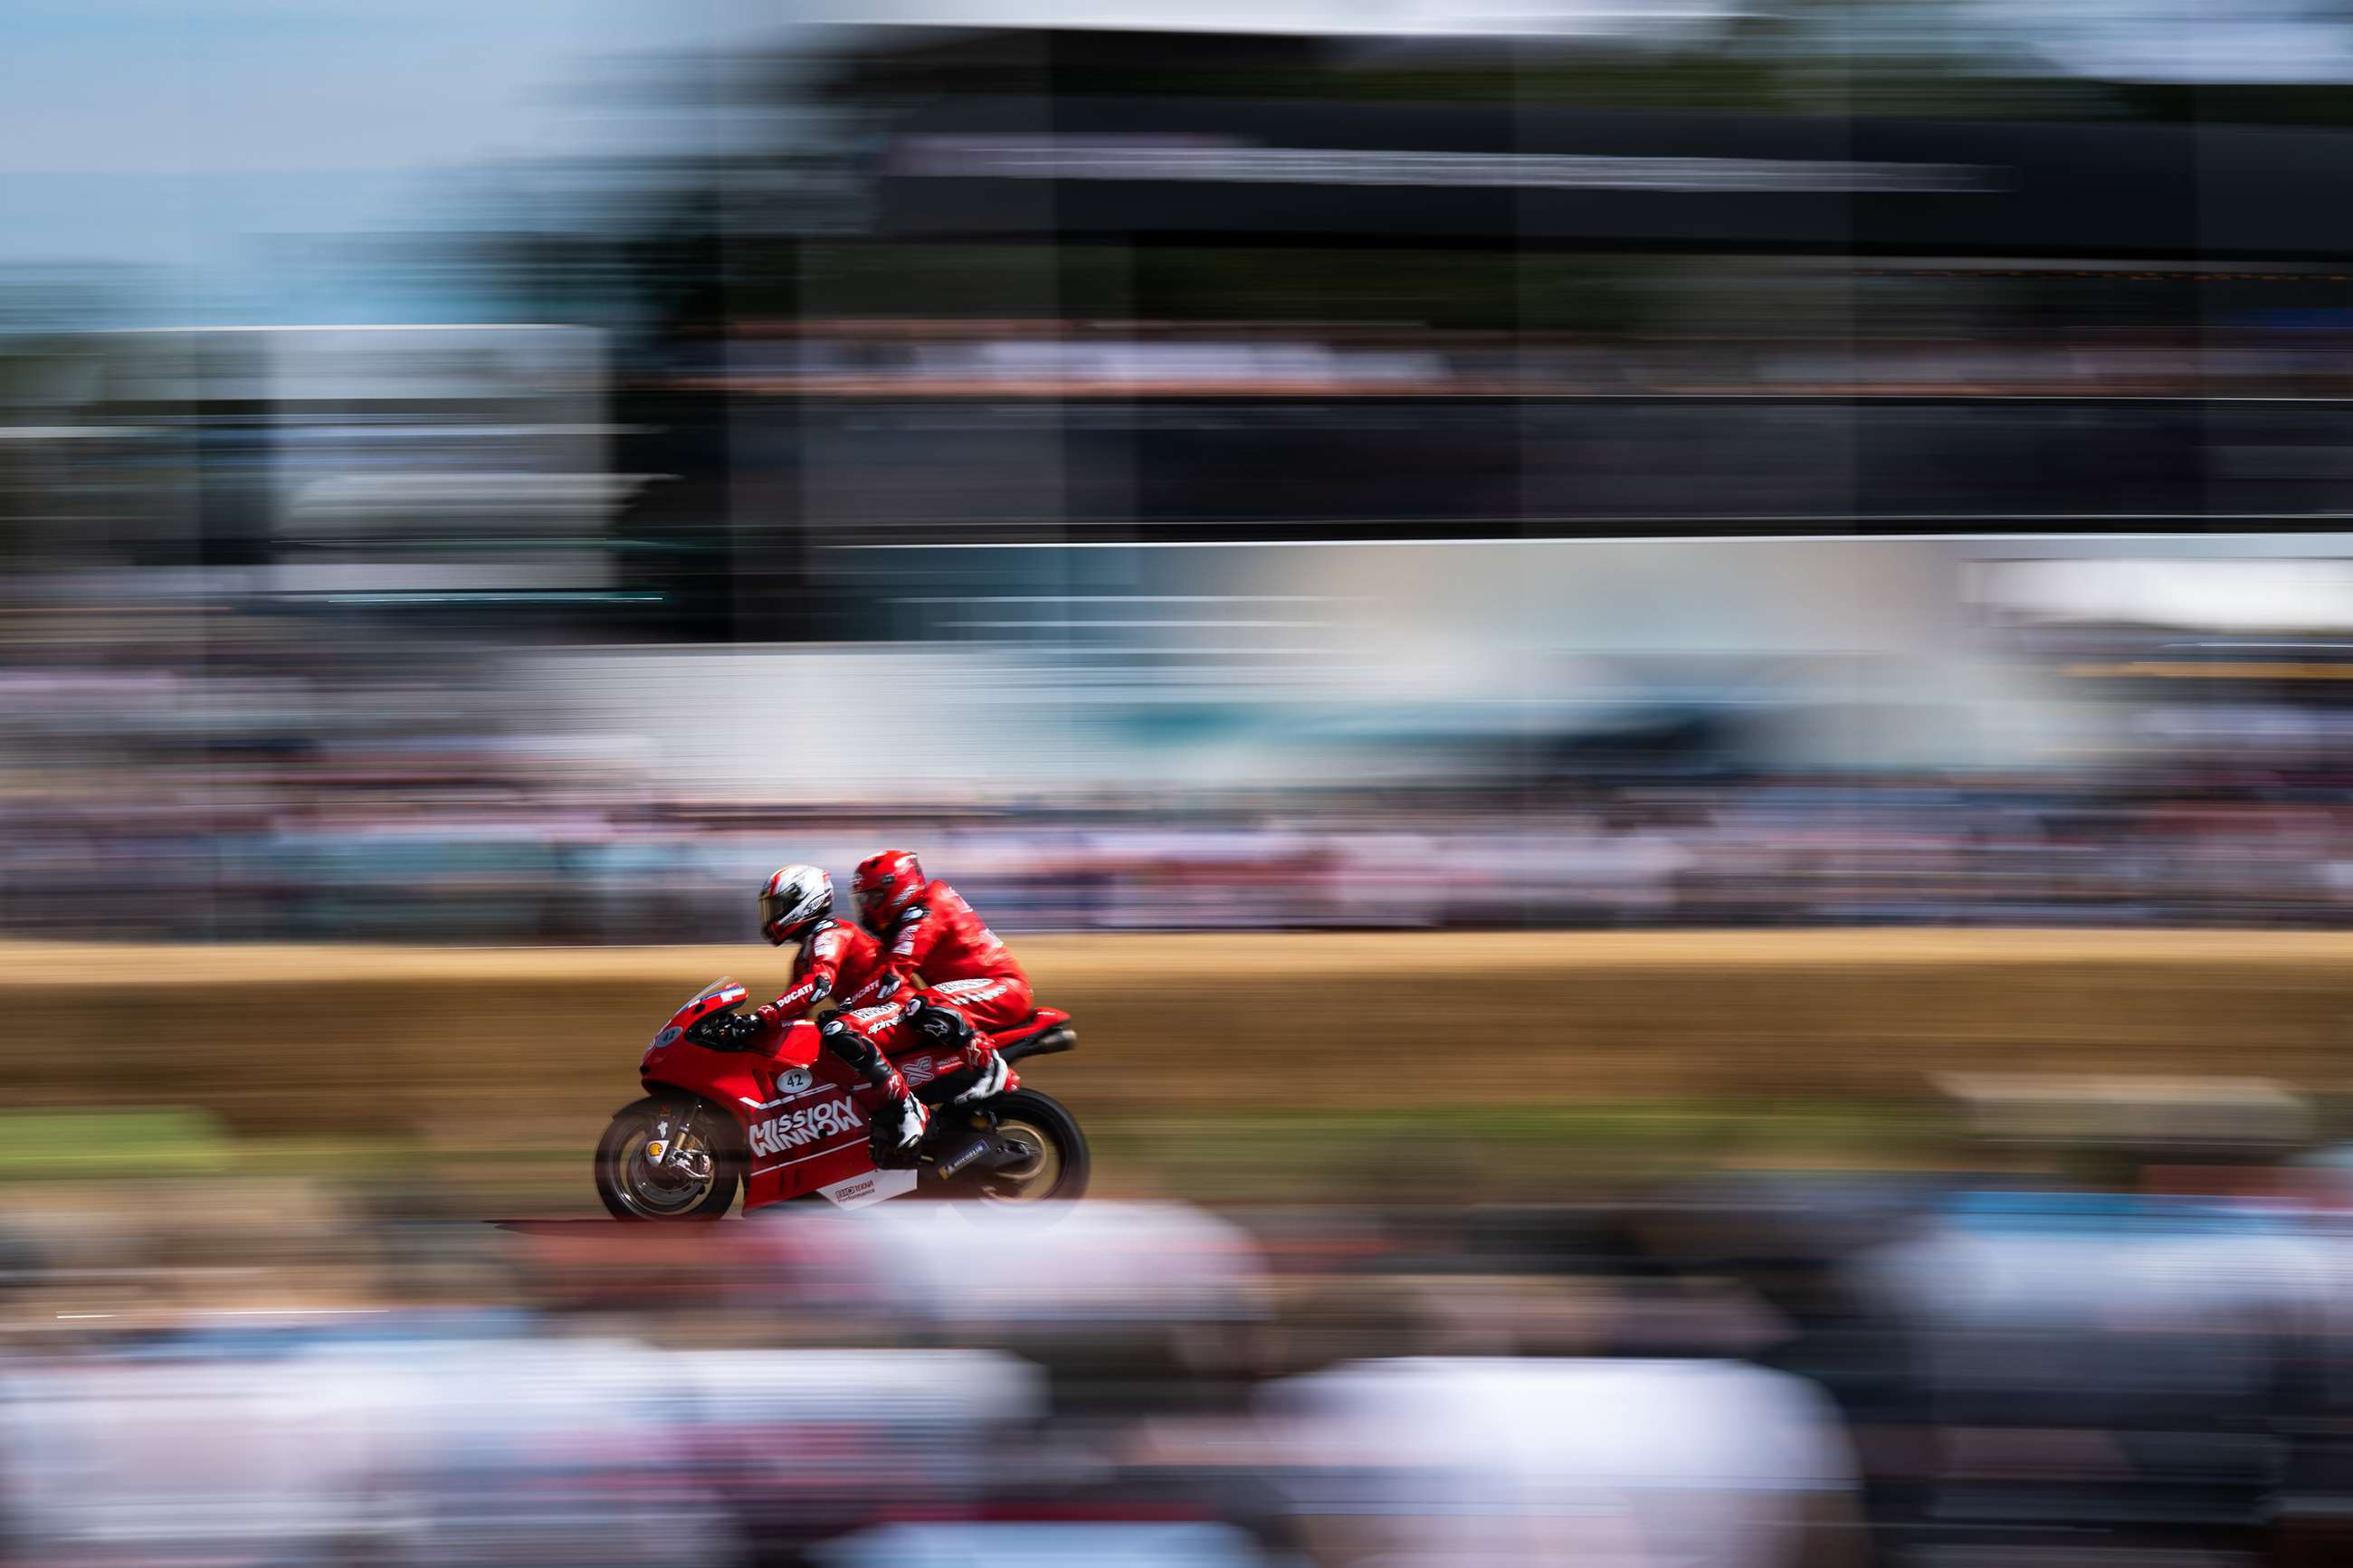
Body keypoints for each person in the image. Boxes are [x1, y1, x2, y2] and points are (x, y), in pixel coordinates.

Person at [818, 849, 1034, 1155]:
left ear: (897, 889)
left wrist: (846, 1009)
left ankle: (990, 1066)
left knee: (924, 1003)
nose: (867, 908)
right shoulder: (913, 913)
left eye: (873, 898)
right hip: (978, 994)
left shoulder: (924, 911)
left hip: (1005, 989)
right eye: (863, 900)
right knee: (920, 1007)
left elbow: (894, 978)